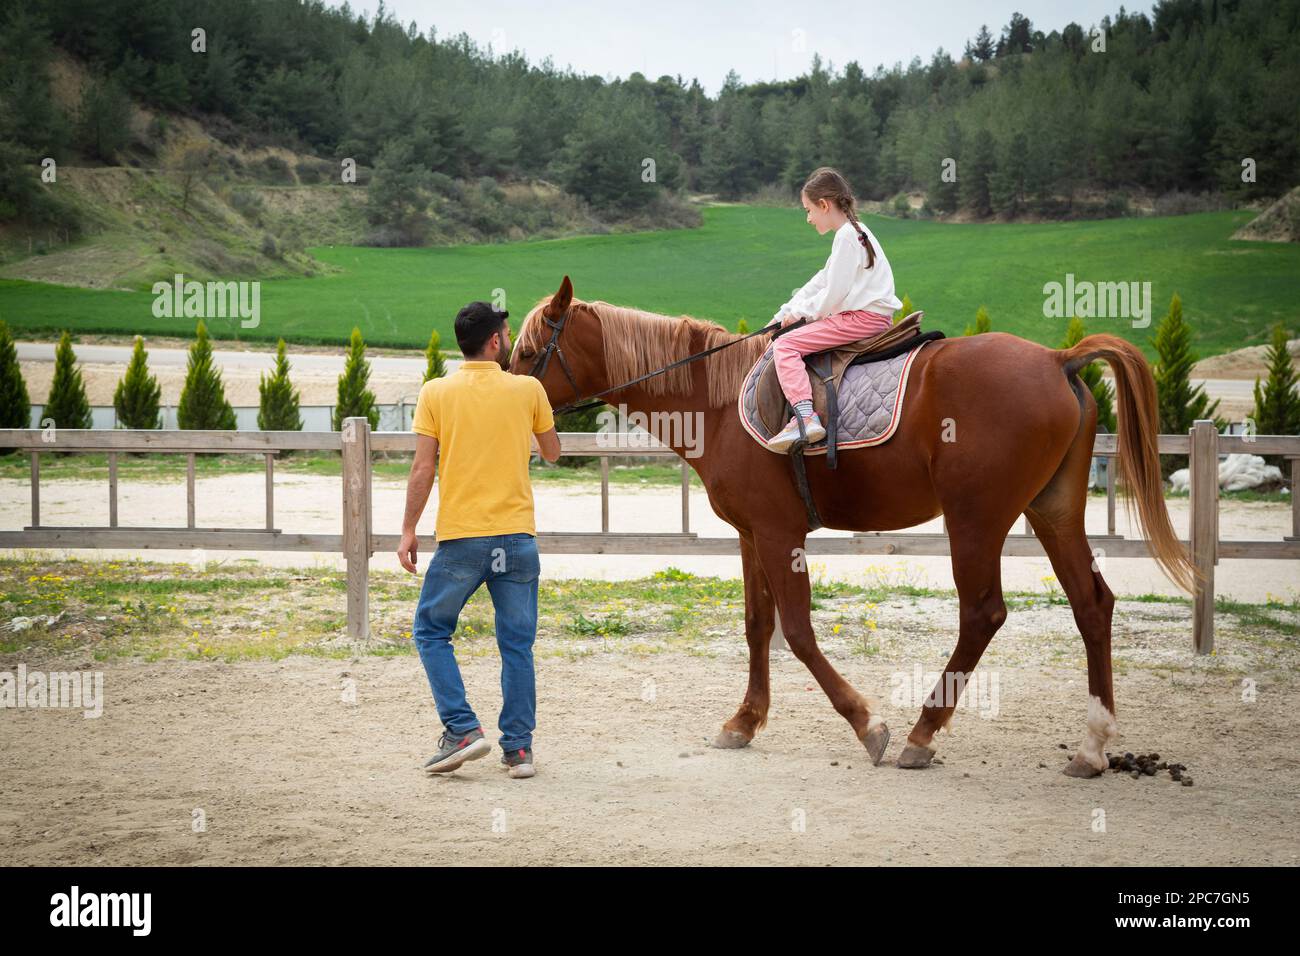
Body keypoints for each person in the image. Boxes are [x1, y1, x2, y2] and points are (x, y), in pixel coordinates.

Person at [398, 301, 561, 779]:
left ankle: (463, 729)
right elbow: (552, 453)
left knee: (431, 631)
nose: (508, 342)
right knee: (516, 645)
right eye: (506, 335)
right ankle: (519, 751)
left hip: (463, 538)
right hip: (517, 538)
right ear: (495, 341)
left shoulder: (436, 393)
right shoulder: (529, 388)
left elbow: (423, 468)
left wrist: (408, 529)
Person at [765, 167, 904, 452]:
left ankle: (805, 418)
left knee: (786, 346)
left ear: (824, 205)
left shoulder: (845, 237)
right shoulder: (856, 232)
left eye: (808, 210)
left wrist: (798, 318)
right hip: (871, 318)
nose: (808, 218)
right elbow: (822, 280)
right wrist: (784, 313)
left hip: (860, 319)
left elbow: (832, 294)